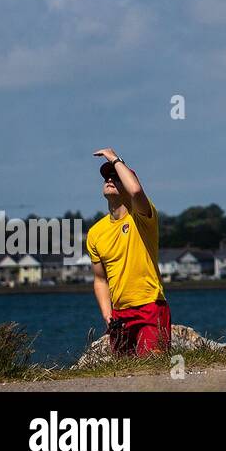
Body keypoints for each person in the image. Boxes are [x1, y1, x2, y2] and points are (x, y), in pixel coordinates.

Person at [86, 148, 170, 358]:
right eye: (107, 177)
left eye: (117, 177)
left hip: (150, 306)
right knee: (125, 375)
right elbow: (99, 279)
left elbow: (136, 192)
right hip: (120, 315)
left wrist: (114, 159)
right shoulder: (96, 232)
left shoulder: (141, 216)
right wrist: (108, 315)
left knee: (153, 373)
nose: (110, 179)